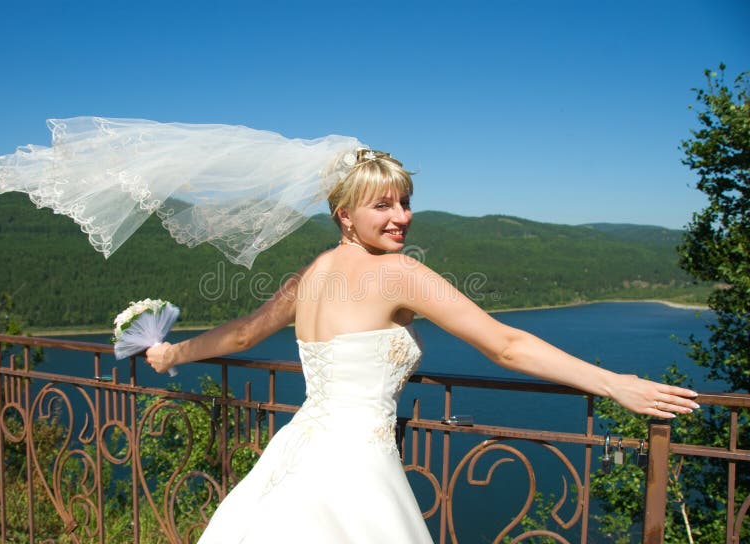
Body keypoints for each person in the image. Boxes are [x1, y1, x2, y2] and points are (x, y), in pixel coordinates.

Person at [146, 148, 700, 543]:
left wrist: (172, 354)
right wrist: (614, 384)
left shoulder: (309, 275)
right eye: (383, 206)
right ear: (345, 215)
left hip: (295, 455)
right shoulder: (402, 274)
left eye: (405, 202)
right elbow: (504, 345)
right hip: (357, 467)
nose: (402, 217)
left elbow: (243, 333)